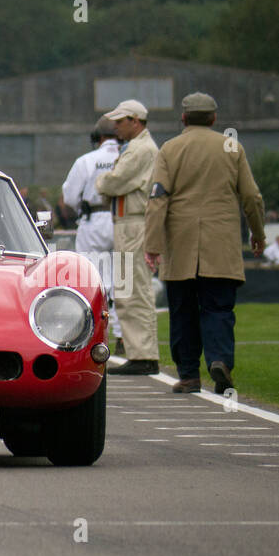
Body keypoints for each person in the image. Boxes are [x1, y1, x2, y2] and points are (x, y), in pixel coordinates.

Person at [144, 92, 267, 395]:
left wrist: (153, 244)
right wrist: (257, 233)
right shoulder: (231, 147)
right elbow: (252, 197)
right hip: (220, 244)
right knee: (219, 309)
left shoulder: (170, 149)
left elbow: (158, 198)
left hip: (181, 245)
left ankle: (188, 374)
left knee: (182, 310)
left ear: (183, 118)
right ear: (214, 118)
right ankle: (220, 360)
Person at [96, 98, 160, 375]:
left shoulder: (141, 149)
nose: (116, 126)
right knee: (126, 288)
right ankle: (139, 352)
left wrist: (103, 183)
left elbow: (113, 180)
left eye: (121, 121)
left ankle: (144, 355)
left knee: (134, 288)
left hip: (134, 223)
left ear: (136, 121)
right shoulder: (136, 147)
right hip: (125, 222)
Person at [62, 116, 122, 353]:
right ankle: (122, 336)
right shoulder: (125, 157)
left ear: (97, 138)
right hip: (120, 217)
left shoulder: (86, 161)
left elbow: (69, 197)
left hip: (94, 220)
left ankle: (97, 335)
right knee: (122, 280)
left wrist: (80, 209)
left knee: (94, 279)